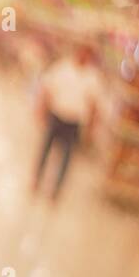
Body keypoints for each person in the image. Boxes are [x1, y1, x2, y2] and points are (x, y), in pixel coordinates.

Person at [33, 43, 102, 202]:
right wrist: (41, 109)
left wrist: (91, 128)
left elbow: (94, 105)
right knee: (45, 150)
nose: (84, 57)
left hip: (74, 123)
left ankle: (56, 190)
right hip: (56, 116)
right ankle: (37, 180)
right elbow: (47, 88)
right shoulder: (63, 68)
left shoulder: (92, 77)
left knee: (66, 158)